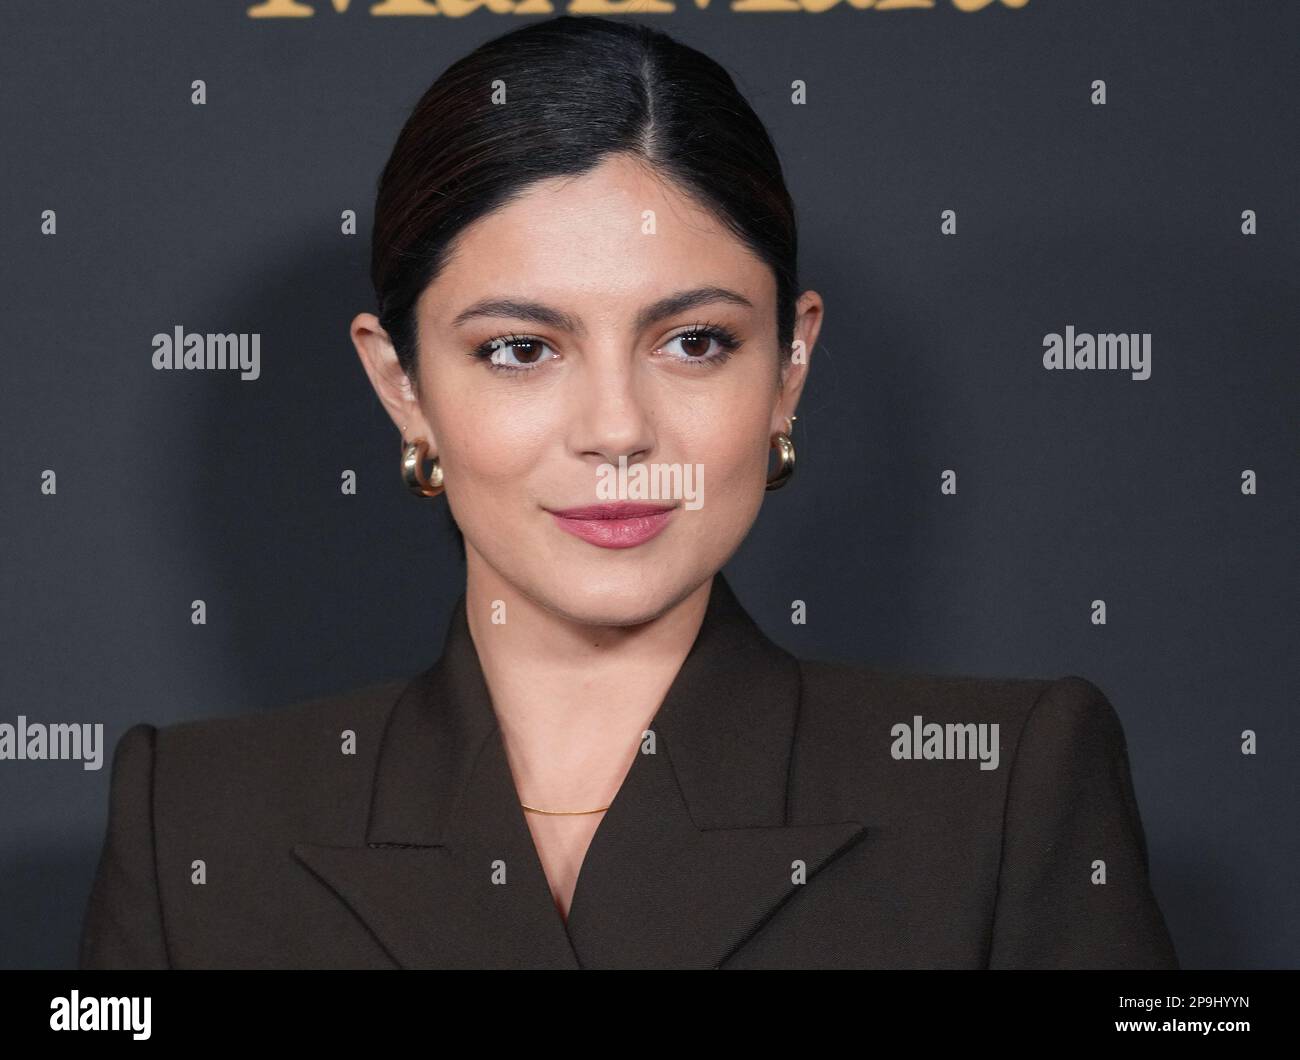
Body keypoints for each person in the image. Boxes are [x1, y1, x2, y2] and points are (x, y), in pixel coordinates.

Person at [79, 14, 1178, 969]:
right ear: (400, 384)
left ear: (788, 368)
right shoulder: (195, 821)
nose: (617, 429)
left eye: (694, 340)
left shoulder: (998, 791)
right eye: (520, 349)